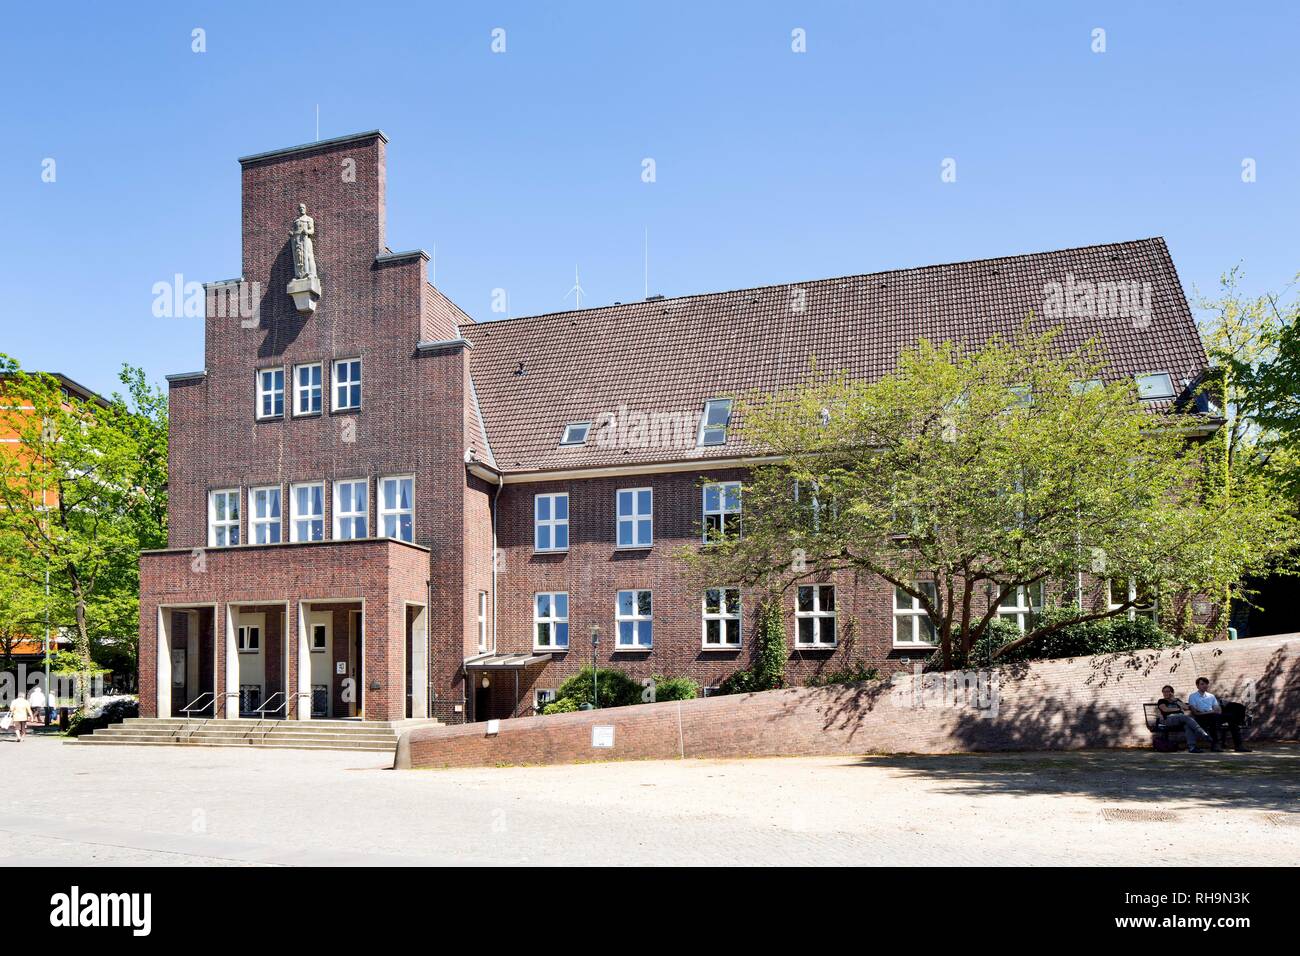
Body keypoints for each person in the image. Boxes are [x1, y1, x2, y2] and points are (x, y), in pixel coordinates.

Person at [1188, 677, 1250, 752]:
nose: (1205, 686)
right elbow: (1196, 712)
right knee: (1213, 718)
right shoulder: (1193, 696)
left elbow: (1218, 709)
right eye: (1202, 684)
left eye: (1206, 684)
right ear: (1197, 686)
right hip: (1201, 718)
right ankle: (1215, 744)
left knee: (1231, 718)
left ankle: (1239, 745)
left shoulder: (1211, 696)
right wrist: (1211, 712)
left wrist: (1217, 711)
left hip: (1213, 716)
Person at [1156, 685, 1215, 753]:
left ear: (1171, 692)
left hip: (1181, 719)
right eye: (1164, 692)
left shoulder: (1177, 700)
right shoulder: (1161, 701)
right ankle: (1202, 733)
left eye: (1167, 691)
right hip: (1168, 719)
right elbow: (1165, 709)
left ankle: (1192, 747)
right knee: (1185, 717)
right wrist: (1178, 708)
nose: (1165, 693)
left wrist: (1175, 700)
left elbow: (1186, 708)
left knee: (1187, 725)